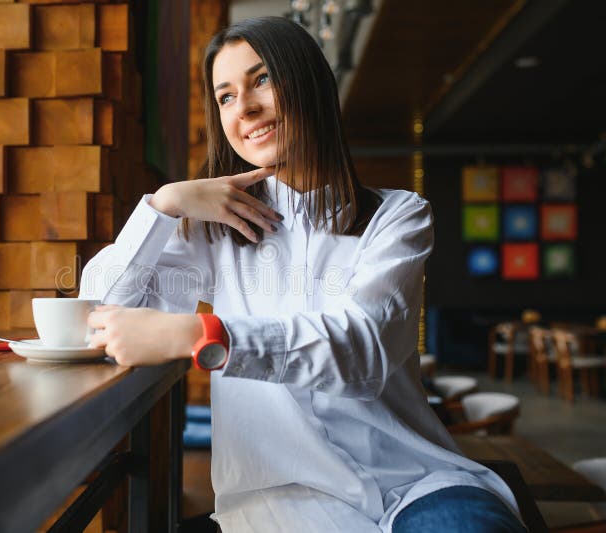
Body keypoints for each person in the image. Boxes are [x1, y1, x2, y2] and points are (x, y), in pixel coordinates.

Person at [81, 16, 526, 533]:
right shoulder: (212, 231)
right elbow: (95, 313)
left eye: (262, 79)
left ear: (309, 83)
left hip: (415, 484)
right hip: (280, 504)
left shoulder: (397, 216)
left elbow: (361, 348)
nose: (244, 107)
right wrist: (164, 203)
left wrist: (203, 335)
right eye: (225, 96)